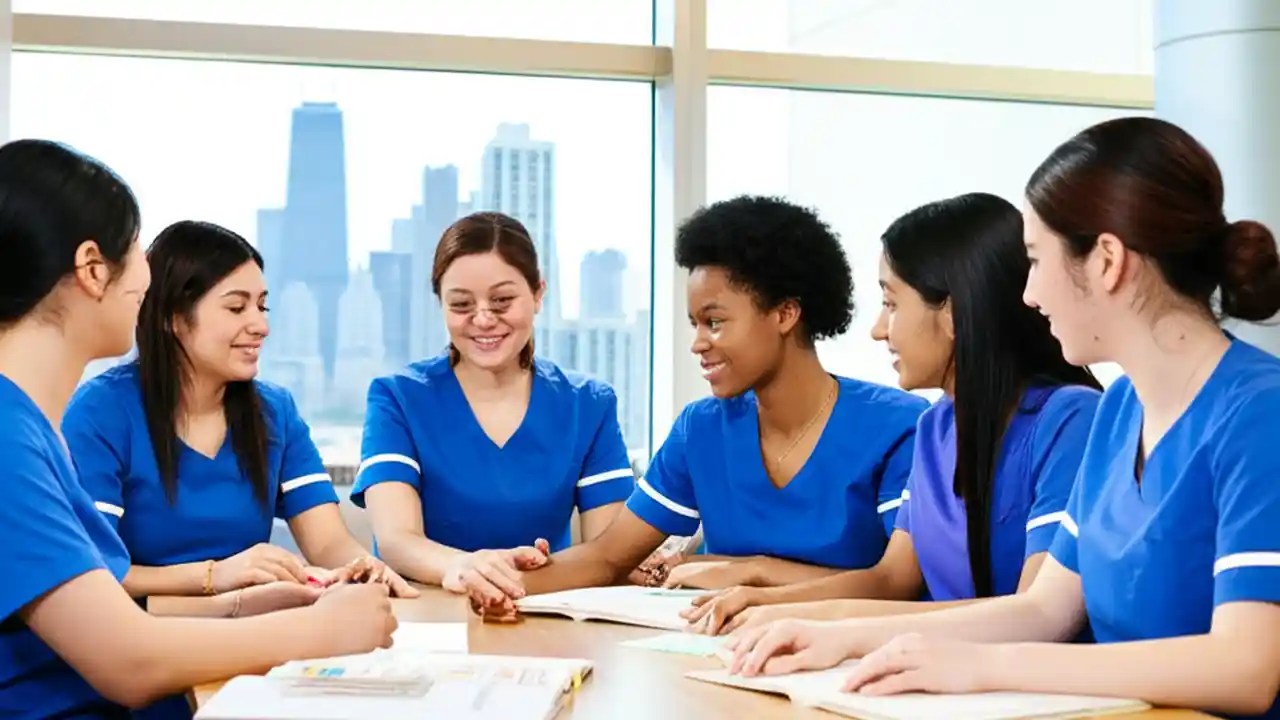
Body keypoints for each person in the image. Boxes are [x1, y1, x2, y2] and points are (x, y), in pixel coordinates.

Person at [727, 117, 1280, 720]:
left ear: (1107, 261)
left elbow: (1246, 667)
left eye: (1037, 262)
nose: (1028, 295)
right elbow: (1044, 609)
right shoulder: (1123, 410)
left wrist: (983, 666)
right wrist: (840, 635)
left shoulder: (1258, 412)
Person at [0, 139, 395, 720]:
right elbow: (127, 661)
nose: (147, 275)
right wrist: (320, 630)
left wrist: (245, 607)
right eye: (136, 250)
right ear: (90, 268)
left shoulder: (31, 428)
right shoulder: (15, 439)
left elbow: (99, 615)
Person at [460, 195, 930, 616]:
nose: (698, 343)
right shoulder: (702, 429)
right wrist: (504, 577)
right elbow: (608, 556)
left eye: (715, 322)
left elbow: (897, 586)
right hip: (724, 661)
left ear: (785, 314)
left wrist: (753, 570)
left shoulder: (899, 428)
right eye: (695, 324)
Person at [684, 193, 1101, 635]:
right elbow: (891, 579)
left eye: (892, 303)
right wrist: (765, 601)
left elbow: (1032, 617)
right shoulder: (935, 426)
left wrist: (830, 625)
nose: (879, 329)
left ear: (955, 312)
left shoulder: (1069, 420)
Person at [65, 221, 415, 614]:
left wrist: (360, 567)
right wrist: (214, 576)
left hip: (247, 629)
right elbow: (92, 570)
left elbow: (327, 543)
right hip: (133, 635)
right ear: (172, 317)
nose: (260, 326)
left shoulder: (275, 411)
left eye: (262, 306)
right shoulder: (101, 411)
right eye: (236, 307)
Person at [352, 211, 635, 598]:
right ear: (440, 304)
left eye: (502, 301)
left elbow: (608, 552)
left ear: (538, 294)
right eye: (461, 305)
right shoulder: (398, 397)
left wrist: (516, 579)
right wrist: (462, 567)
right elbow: (397, 539)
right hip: (426, 617)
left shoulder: (589, 405)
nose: (483, 319)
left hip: (544, 611)